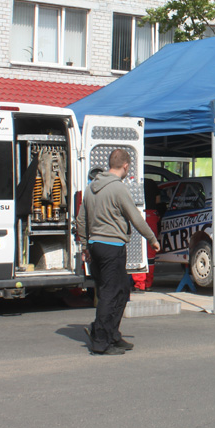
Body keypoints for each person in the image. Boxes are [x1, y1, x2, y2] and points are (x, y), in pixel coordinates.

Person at [76, 149, 161, 355]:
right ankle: (101, 342)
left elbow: (81, 220)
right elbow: (136, 217)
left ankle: (113, 334)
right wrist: (152, 238)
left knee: (122, 290)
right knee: (109, 294)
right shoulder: (117, 189)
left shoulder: (91, 188)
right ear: (125, 166)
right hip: (111, 247)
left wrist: (86, 246)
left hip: (96, 246)